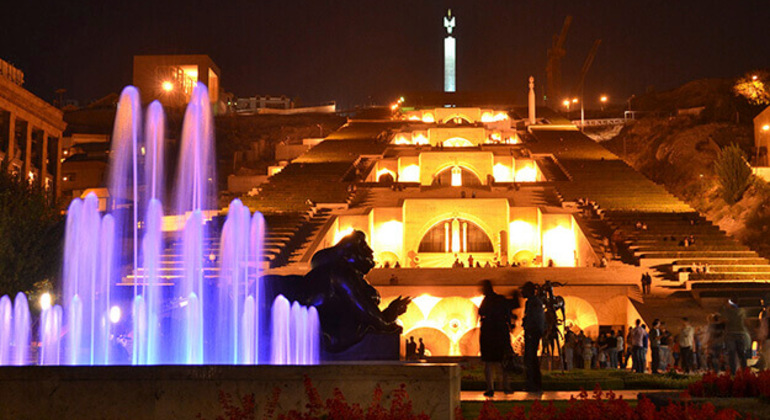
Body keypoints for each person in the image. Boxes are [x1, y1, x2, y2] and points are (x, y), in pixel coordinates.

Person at [478, 280, 513, 397]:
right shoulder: (500, 299)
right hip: (501, 331)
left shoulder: (487, 300)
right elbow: (507, 313)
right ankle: (506, 386)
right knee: (503, 360)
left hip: (489, 332)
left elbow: (481, 312)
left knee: (488, 362)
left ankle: (490, 388)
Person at [521, 281, 545, 392]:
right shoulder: (531, 302)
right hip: (531, 332)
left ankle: (534, 384)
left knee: (531, 358)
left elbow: (535, 319)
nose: (521, 292)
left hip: (532, 333)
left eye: (523, 290)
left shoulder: (534, 302)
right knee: (530, 358)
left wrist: (530, 330)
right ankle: (532, 383)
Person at [720, 298, 749, 373]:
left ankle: (733, 372)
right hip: (740, 333)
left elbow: (723, 320)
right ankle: (745, 371)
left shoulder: (727, 311)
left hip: (730, 333)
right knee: (741, 354)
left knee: (732, 354)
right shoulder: (742, 311)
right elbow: (746, 322)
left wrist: (725, 306)